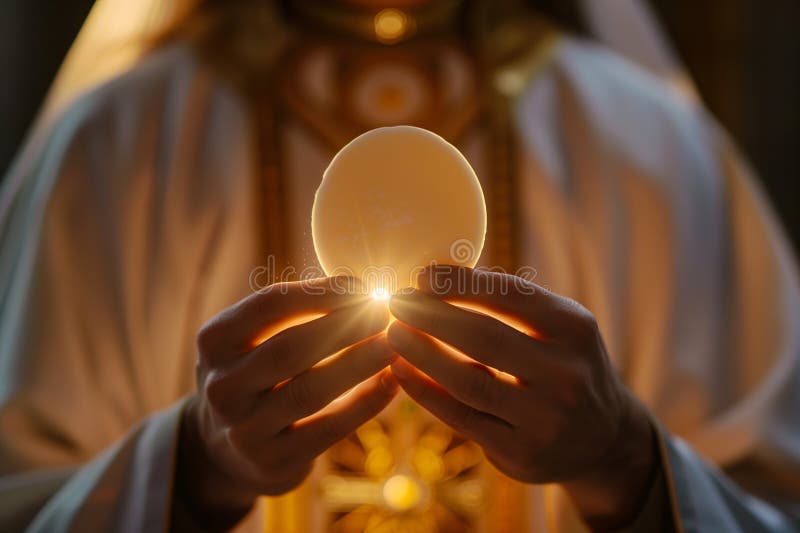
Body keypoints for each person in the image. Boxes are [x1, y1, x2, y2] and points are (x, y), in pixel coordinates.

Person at [1, 0, 799, 531]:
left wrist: (625, 461)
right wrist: (191, 466)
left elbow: (771, 500)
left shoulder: (654, 151)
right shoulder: (116, 150)